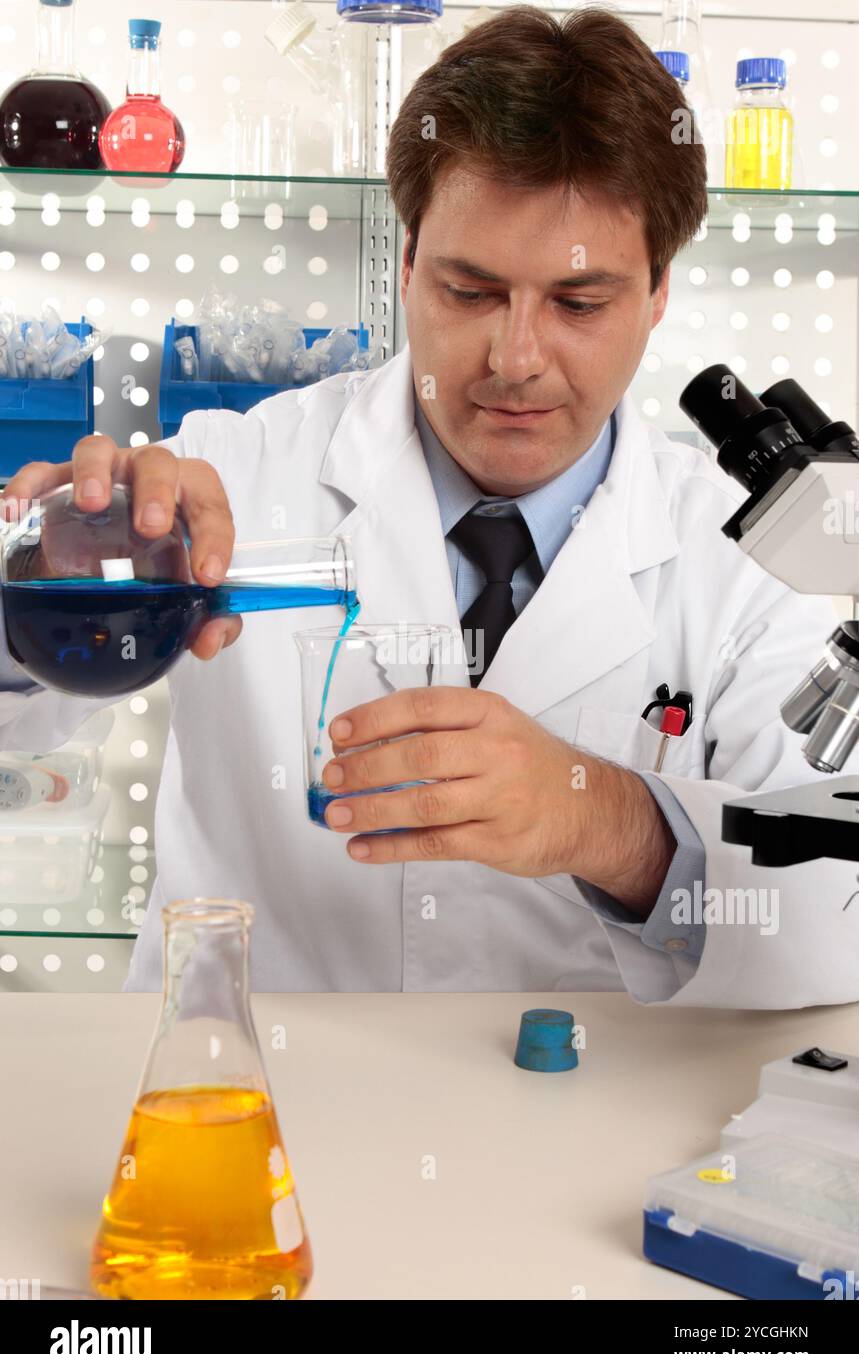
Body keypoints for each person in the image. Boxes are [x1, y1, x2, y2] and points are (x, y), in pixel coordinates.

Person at [0, 7, 852, 1005]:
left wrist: (604, 821)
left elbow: (833, 912)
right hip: (251, 1105)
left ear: (658, 293)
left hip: (601, 1132)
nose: (516, 359)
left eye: (578, 304)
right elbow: (24, 722)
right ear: (407, 264)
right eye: (470, 290)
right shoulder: (226, 475)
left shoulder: (754, 555)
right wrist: (42, 577)